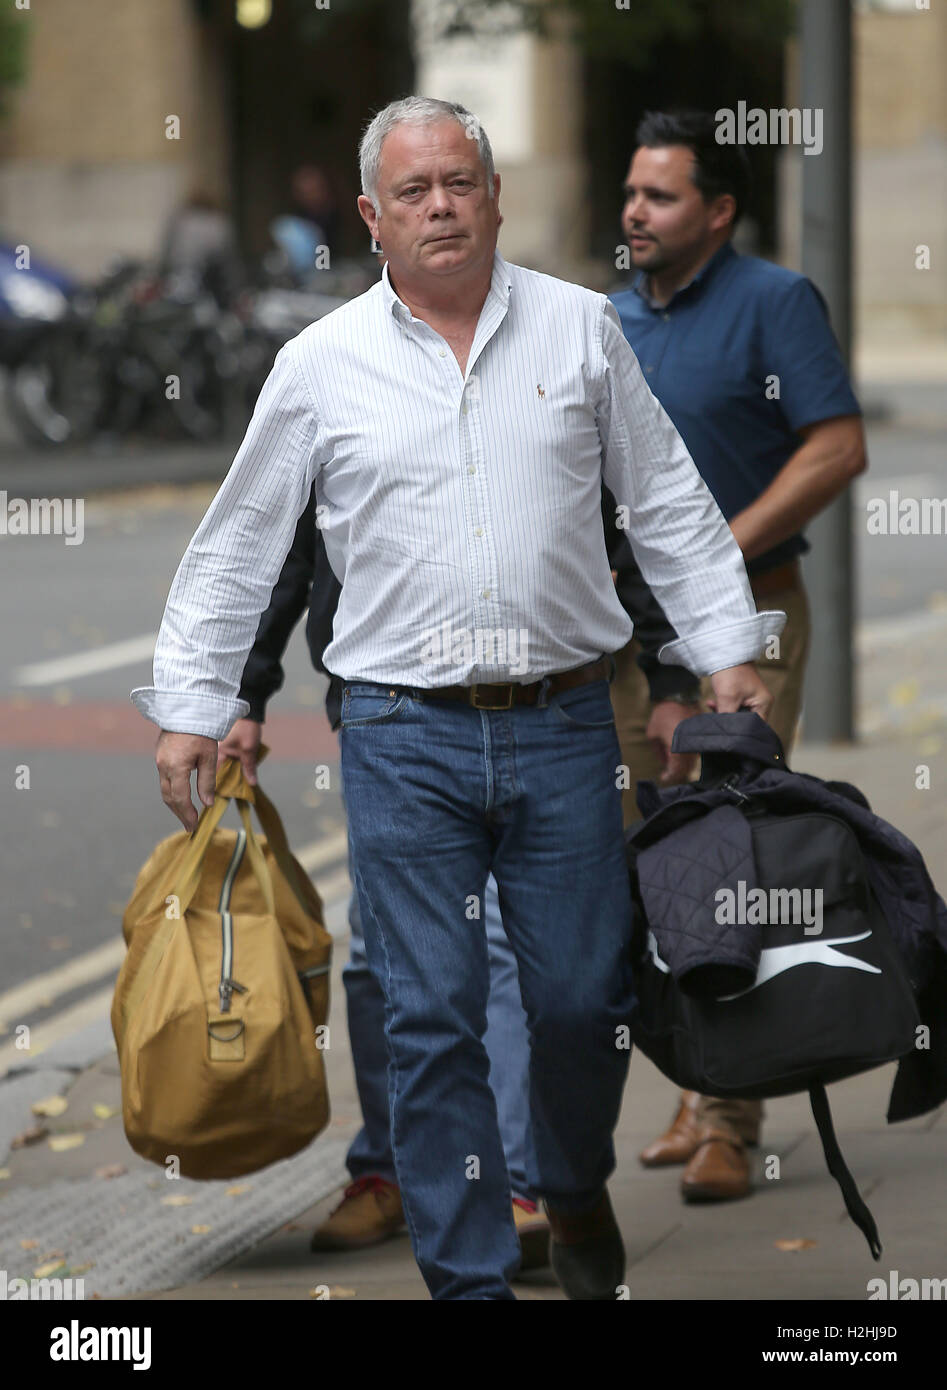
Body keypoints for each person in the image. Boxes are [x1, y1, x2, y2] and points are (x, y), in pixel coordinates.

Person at [131, 96, 782, 1301]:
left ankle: (572, 1187)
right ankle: (468, 1282)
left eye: (460, 183)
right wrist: (195, 701)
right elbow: (237, 548)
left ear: (494, 199)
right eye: (414, 191)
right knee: (428, 1020)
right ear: (373, 219)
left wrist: (723, 649)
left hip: (562, 725)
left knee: (584, 1006)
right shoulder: (317, 367)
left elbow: (667, 502)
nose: (441, 205)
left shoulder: (582, 330)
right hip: (397, 734)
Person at [218, 480, 703, 1271]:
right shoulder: (331, 362)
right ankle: (404, 1183)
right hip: (390, 712)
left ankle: (541, 1182)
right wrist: (245, 690)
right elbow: (278, 543)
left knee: (568, 991)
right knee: (398, 972)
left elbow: (633, 514)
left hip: (553, 712)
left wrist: (672, 676)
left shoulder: (560, 356)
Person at [609, 109, 866, 1203]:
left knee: (729, 860)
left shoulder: (772, 303)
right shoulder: (606, 316)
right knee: (649, 864)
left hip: (750, 619)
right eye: (630, 192)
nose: (633, 210)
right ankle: (691, 1081)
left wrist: (722, 545)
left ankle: (730, 1120)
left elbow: (837, 444)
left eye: (659, 195)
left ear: (716, 210)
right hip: (625, 639)